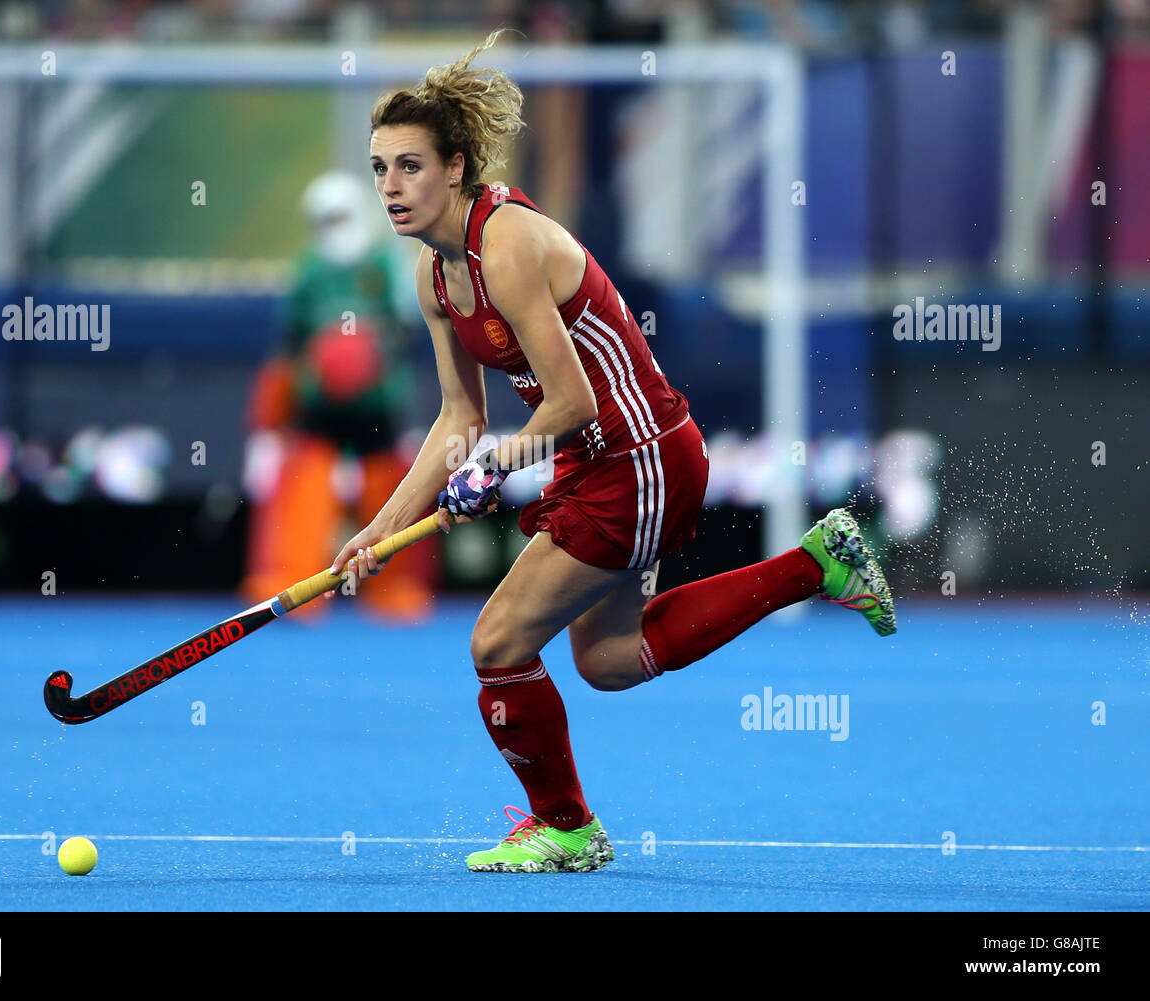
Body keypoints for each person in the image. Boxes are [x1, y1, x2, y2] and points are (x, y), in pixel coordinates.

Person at [330, 30, 896, 873]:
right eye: (379, 168)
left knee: (497, 643)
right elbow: (457, 421)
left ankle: (566, 825)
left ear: (455, 167)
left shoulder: (508, 244)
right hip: (594, 462)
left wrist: (495, 464)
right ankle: (818, 564)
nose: (390, 186)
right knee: (607, 660)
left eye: (409, 165)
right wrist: (377, 529)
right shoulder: (432, 276)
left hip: (641, 457)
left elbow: (574, 401)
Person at [242, 170, 433, 620]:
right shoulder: (309, 272)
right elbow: (288, 344)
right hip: (318, 405)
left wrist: (366, 349)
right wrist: (276, 405)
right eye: (325, 219)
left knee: (389, 492)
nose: (335, 227)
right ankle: (295, 584)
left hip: (377, 403)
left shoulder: (385, 265)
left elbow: (406, 328)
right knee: (304, 489)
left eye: (341, 216)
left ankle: (396, 585)